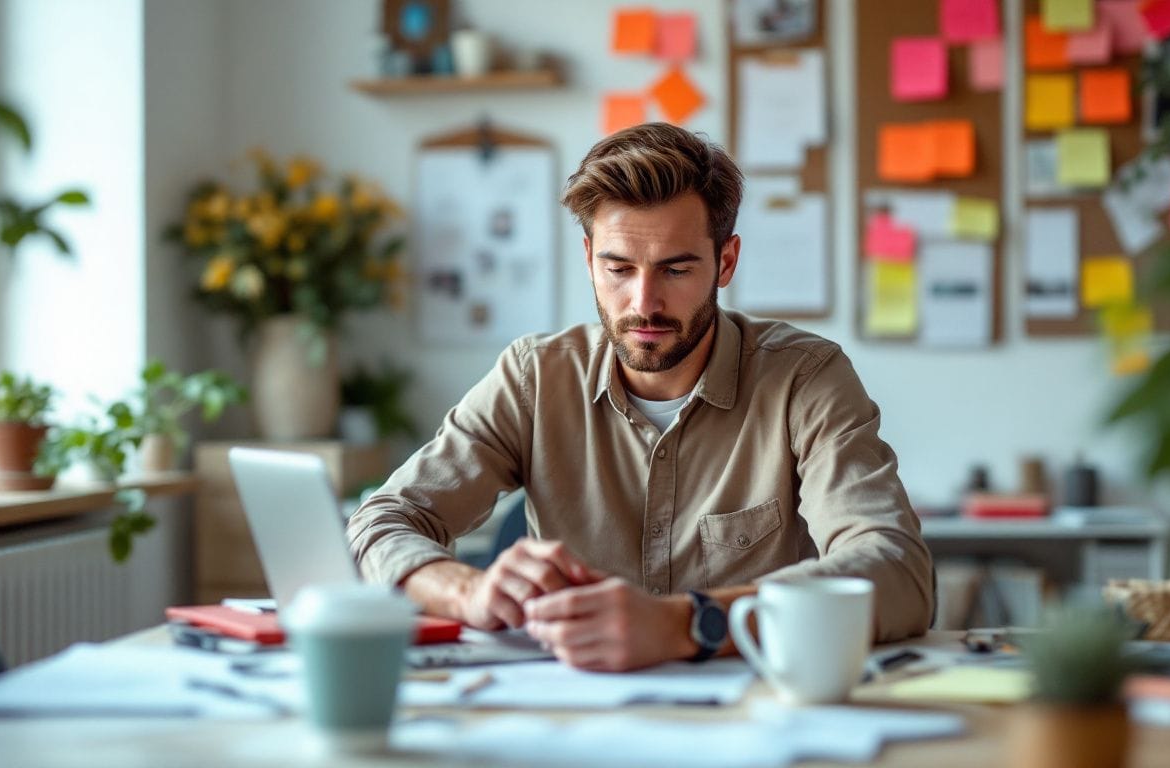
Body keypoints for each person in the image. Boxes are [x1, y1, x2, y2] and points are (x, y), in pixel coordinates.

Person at [348, 122, 933, 672]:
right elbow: (381, 522)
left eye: (676, 270)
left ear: (725, 261)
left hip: (753, 714)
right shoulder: (534, 378)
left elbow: (898, 570)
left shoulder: (806, 378)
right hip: (569, 711)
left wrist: (689, 625)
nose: (643, 303)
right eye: (618, 269)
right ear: (588, 260)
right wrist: (467, 591)